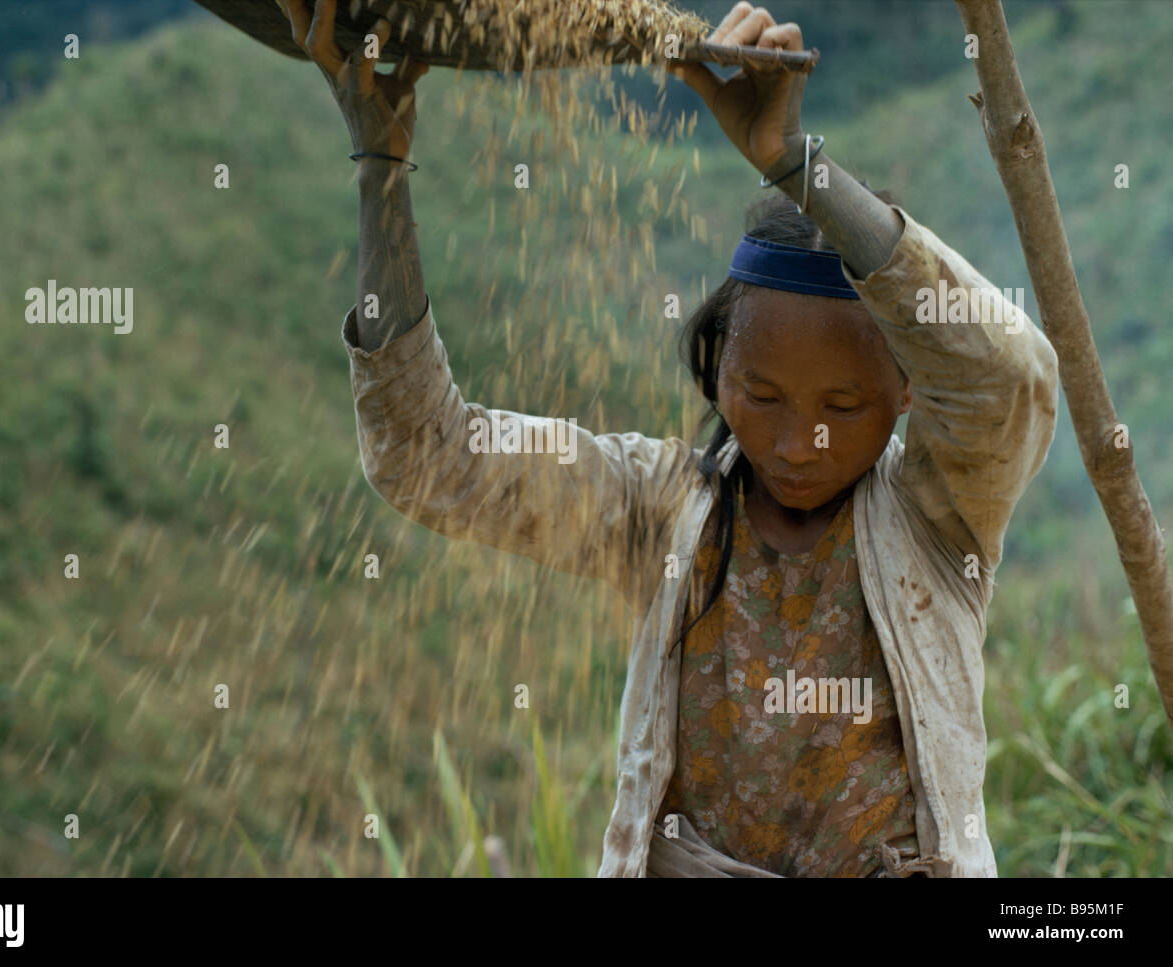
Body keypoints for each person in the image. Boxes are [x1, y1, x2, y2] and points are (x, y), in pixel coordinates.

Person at [276, 0, 1059, 876]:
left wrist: (797, 167)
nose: (798, 442)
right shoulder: (663, 508)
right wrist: (382, 164)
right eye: (761, 394)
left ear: (909, 390)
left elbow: (1013, 381)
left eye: (843, 406)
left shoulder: (938, 516)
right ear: (717, 369)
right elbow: (425, 456)